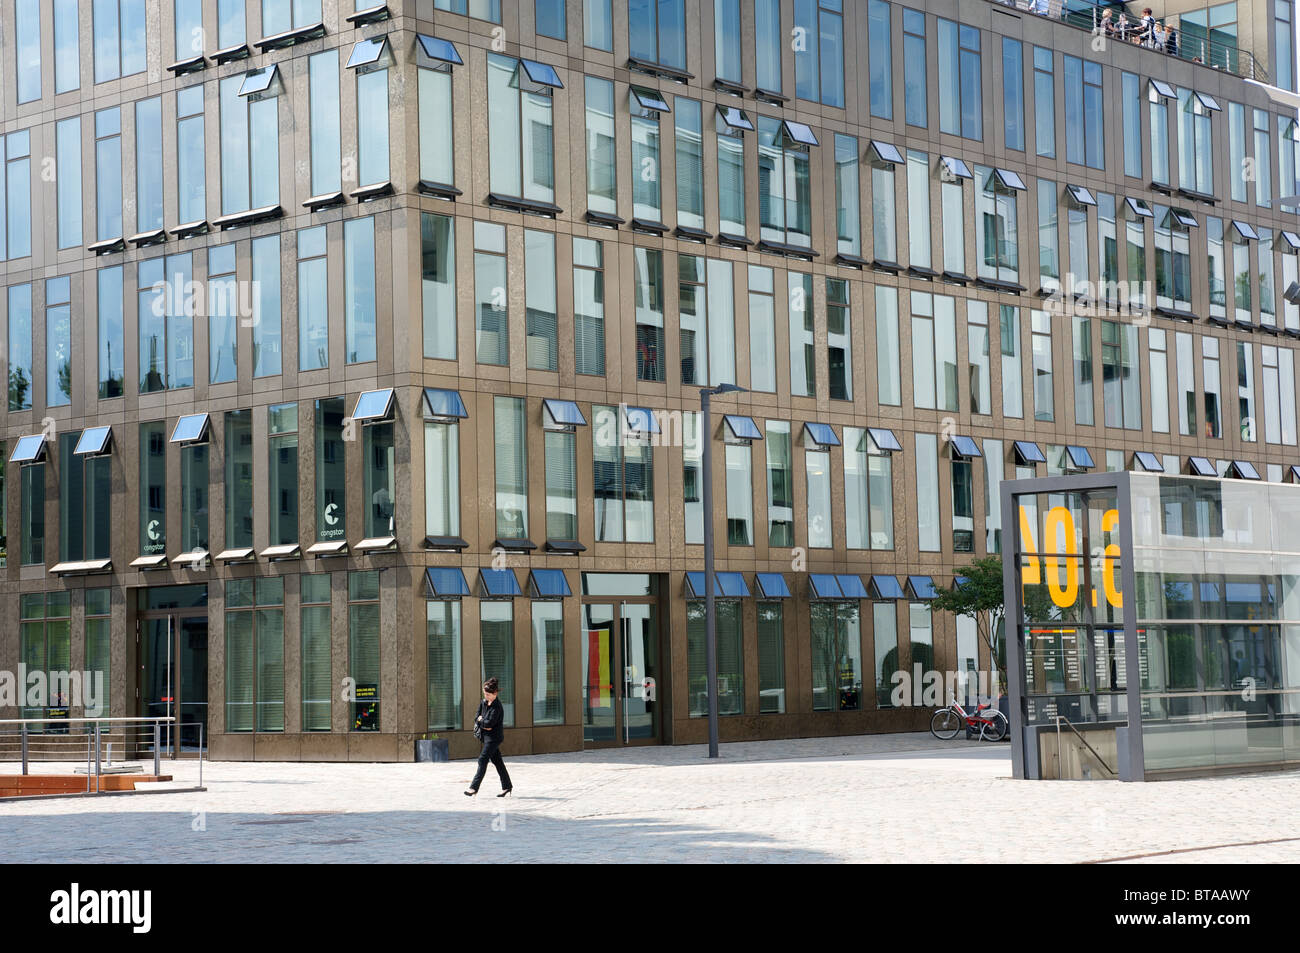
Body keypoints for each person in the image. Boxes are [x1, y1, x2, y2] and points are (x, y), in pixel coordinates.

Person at [465, 677, 512, 797]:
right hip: (486, 737)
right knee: (498, 762)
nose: (486, 696)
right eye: (484, 694)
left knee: (482, 759)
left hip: (494, 738)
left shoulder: (497, 707)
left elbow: (489, 724)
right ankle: (507, 786)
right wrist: (482, 721)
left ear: (495, 693)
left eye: (488, 694)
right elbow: (477, 717)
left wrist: (482, 720)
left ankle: (473, 788)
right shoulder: (483, 703)